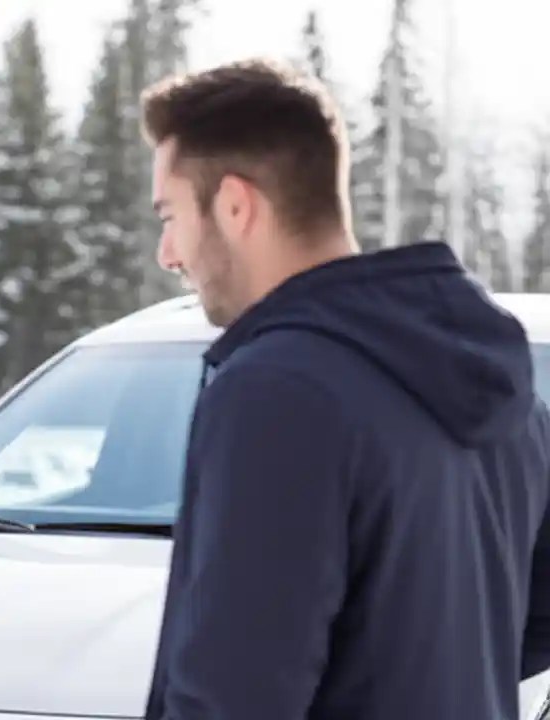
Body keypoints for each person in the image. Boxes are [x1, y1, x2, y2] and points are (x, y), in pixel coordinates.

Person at [139, 58, 550, 719]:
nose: (168, 253)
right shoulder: (506, 393)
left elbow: (235, 696)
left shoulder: (276, 393)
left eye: (169, 215)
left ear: (236, 205)